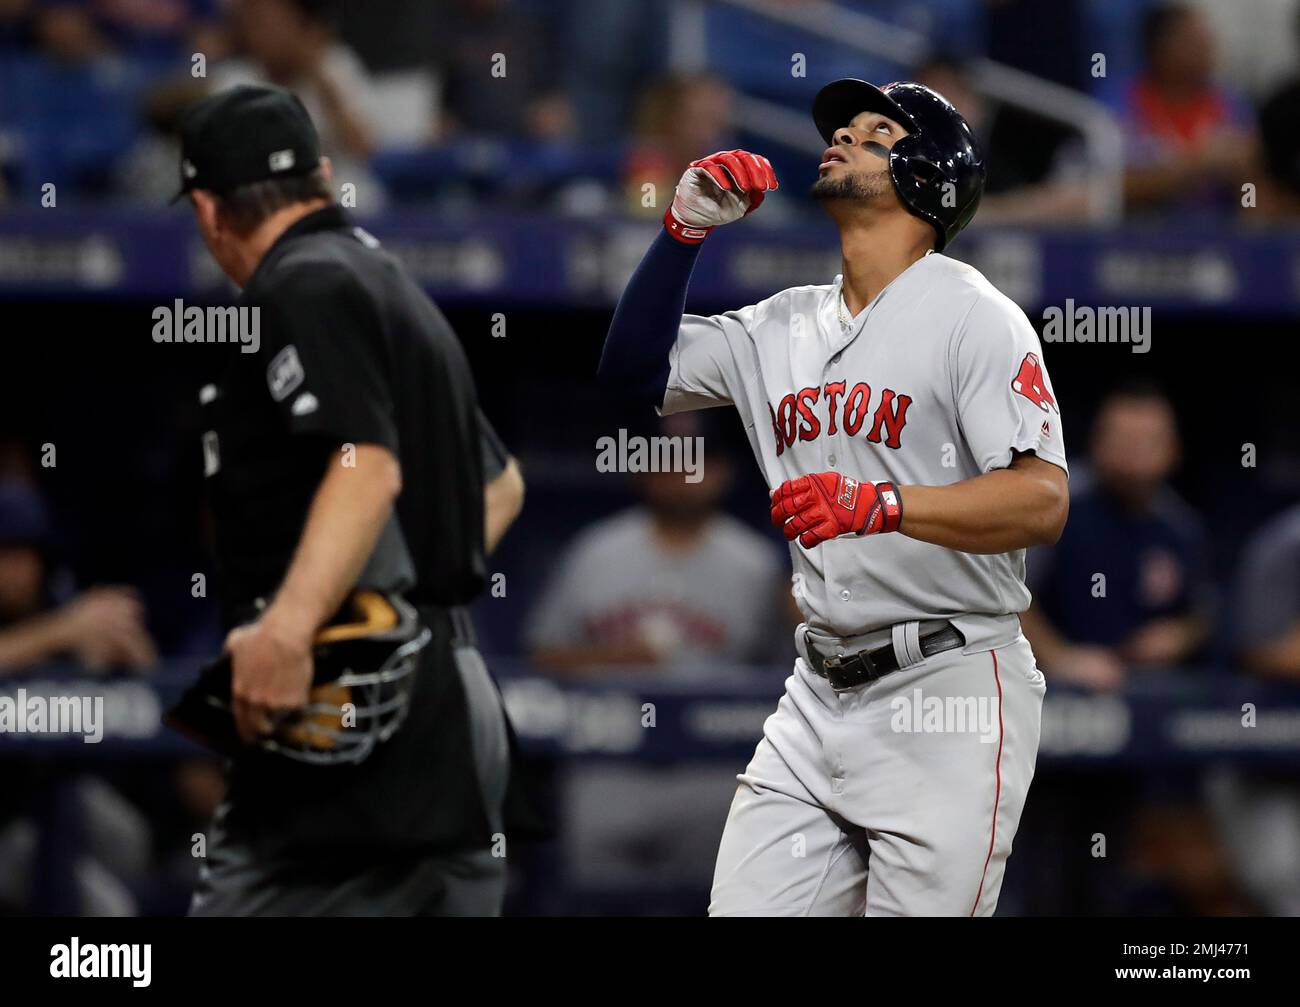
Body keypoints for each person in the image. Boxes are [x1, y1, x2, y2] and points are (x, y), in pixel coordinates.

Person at [599, 79, 1069, 916]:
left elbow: (1040, 500)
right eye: (843, 128)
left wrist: (884, 504)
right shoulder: (779, 324)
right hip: (816, 689)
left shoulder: (975, 316)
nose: (844, 137)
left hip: (951, 684)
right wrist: (681, 234)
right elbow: (630, 378)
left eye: (875, 132)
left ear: (927, 175)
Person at [174, 84, 524, 916]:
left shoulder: (301, 284)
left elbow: (363, 466)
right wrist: (397, 599)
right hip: (451, 688)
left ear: (207, 210)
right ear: (325, 177)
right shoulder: (392, 285)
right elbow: (500, 486)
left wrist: (300, 628)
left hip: (350, 707)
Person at [527, 418, 787, 677]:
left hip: (725, 717)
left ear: (723, 471)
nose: (682, 474)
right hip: (610, 713)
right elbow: (541, 657)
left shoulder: (758, 565)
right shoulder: (594, 552)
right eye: (667, 461)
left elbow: (788, 670)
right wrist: (615, 661)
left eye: (696, 461)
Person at [1021, 385, 1212, 691]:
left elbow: (1202, 614)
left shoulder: (1180, 526)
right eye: (1123, 440)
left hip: (1146, 692)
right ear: (1096, 443)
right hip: (1051, 687)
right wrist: (1062, 658)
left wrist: (1179, 635)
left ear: (1174, 449)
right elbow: (1005, 596)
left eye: (1148, 442)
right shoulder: (1056, 505)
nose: (1135, 453)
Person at [1117, 2, 1258, 217]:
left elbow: (1255, 199)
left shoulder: (1232, 105)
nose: (1207, 48)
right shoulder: (1121, 103)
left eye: (1208, 39)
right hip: (1137, 236)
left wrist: (1247, 181)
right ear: (1159, 47)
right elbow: (1107, 188)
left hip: (1222, 237)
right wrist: (1195, 164)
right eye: (1194, 40)